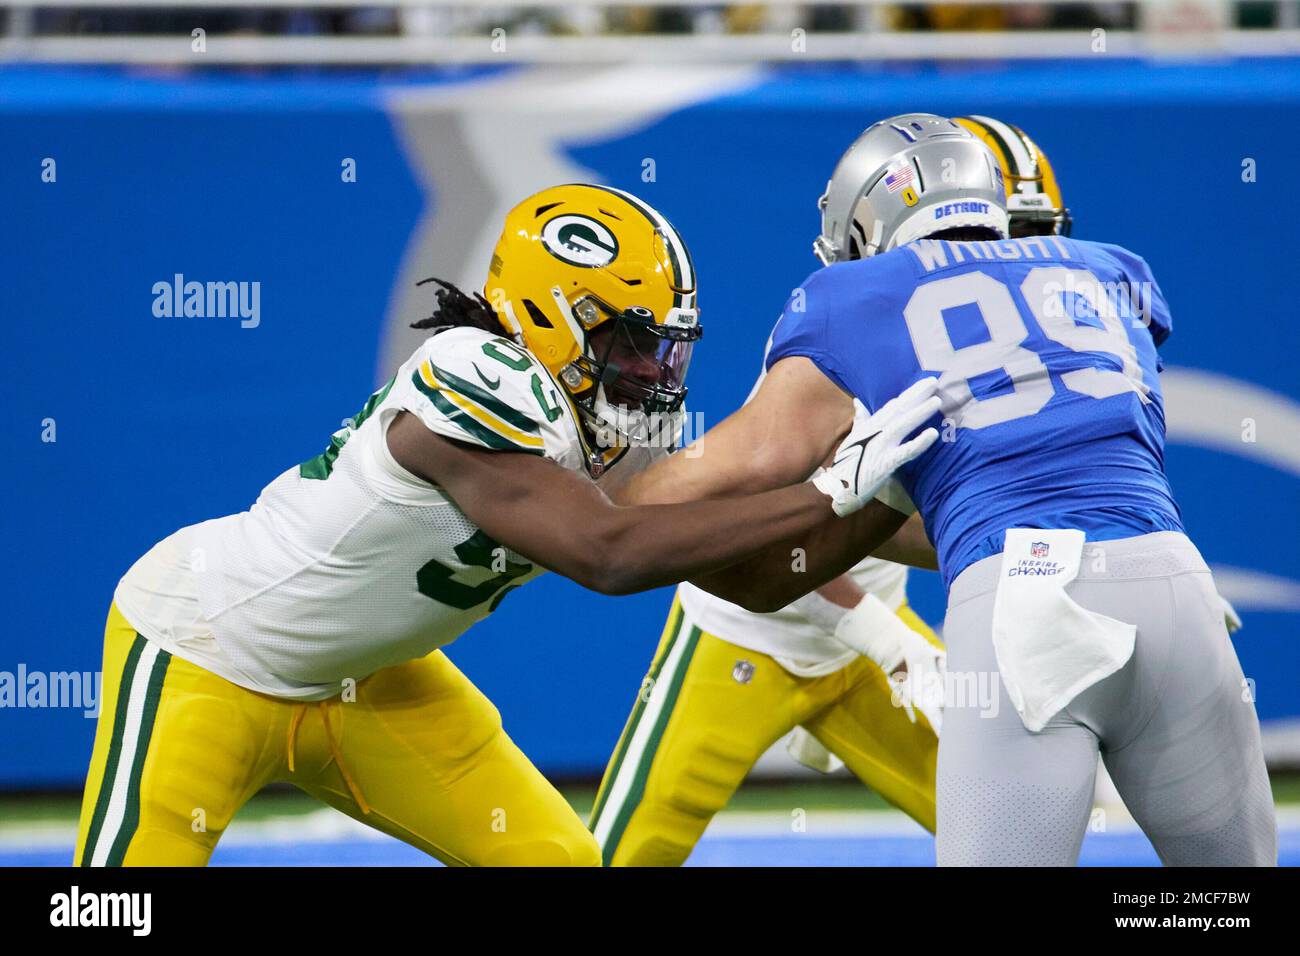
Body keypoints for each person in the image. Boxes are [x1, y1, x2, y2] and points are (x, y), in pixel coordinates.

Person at [75, 183, 936, 867]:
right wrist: (829, 491)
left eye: (667, 348)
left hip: (369, 682)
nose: (653, 370)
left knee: (555, 861)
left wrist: (885, 501)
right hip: (208, 647)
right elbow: (609, 557)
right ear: (549, 316)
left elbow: (752, 576)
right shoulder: (474, 369)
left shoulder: (618, 427)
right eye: (632, 343)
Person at [614, 115, 1277, 866]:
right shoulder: (1111, 271)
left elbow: (718, 478)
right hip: (1176, 579)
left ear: (868, 220)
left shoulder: (849, 298)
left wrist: (609, 488)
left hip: (1022, 599)